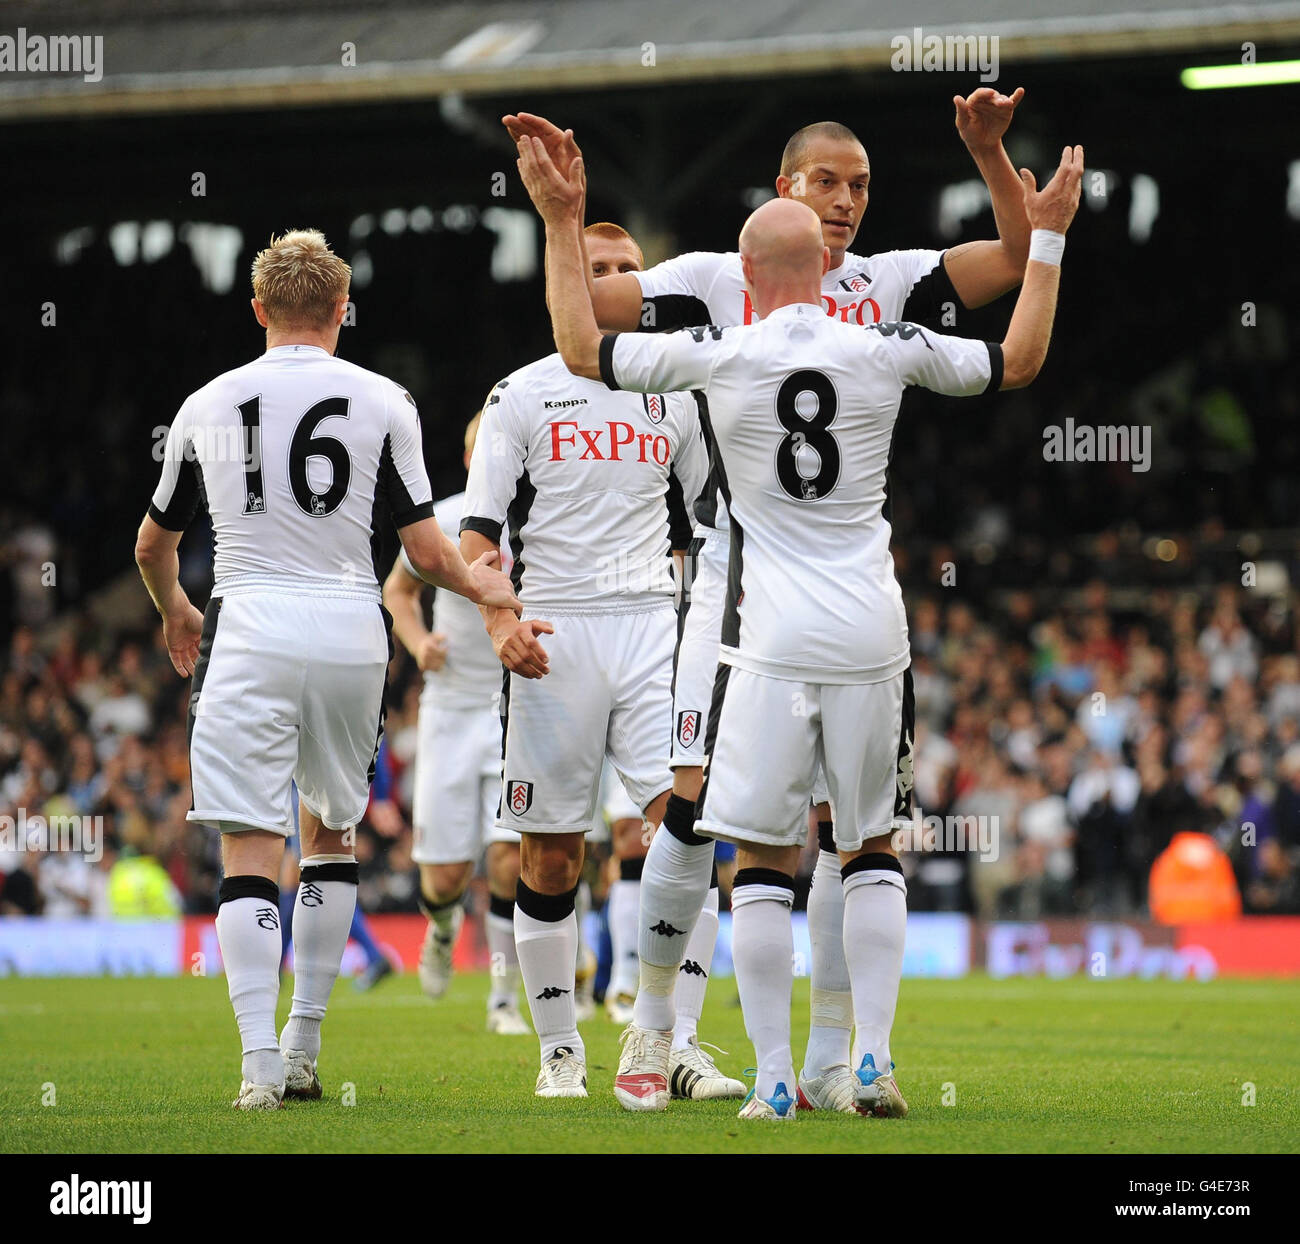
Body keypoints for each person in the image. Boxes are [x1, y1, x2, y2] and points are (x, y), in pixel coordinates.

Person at [517, 131, 1083, 1116]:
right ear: (787, 193)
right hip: (759, 595)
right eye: (828, 183)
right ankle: (660, 1023)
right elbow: (1021, 325)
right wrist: (1047, 232)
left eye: (862, 185)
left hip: (778, 608)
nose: (848, 202)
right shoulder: (710, 281)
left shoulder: (872, 288)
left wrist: (992, 158)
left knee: (796, 837)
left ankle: (816, 1059)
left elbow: (582, 340)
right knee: (699, 810)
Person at [134, 229, 519, 1109]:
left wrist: (176, 612)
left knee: (248, 850)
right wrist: (492, 596)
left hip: (249, 622)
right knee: (333, 836)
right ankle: (306, 1044)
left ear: (260, 309)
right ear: (344, 311)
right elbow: (424, 550)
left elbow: (155, 543)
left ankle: (258, 1066)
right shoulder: (387, 400)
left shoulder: (207, 402)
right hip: (350, 627)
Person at [458, 221, 712, 1098]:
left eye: (625, 271)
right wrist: (499, 622)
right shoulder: (518, 396)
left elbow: (711, 526)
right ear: (565, 280)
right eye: (594, 269)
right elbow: (478, 536)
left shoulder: (676, 392)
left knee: (686, 833)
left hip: (652, 627)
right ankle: (560, 1050)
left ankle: (671, 1041)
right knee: (552, 857)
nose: (610, 282)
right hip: (555, 637)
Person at [382, 411, 529, 1034]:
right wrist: (417, 645)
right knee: (443, 876)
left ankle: (503, 999)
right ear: (471, 458)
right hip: (449, 708)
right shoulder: (440, 521)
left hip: (516, 707)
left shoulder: (541, 521)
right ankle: (441, 928)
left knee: (506, 859)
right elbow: (399, 593)